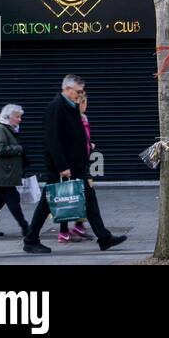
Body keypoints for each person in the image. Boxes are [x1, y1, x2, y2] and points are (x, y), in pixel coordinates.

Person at [22, 74, 126, 254]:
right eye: (78, 91)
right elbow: (53, 140)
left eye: (81, 91)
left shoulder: (71, 106)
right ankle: (31, 239)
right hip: (63, 168)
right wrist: (62, 166)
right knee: (47, 202)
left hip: (77, 166)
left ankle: (104, 237)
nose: (80, 94)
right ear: (67, 89)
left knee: (90, 200)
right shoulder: (56, 108)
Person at [0, 104, 30, 238]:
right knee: (13, 199)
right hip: (2, 172)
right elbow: (0, 149)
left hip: (3, 171)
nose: (20, 120)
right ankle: (25, 226)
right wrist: (19, 148)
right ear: (9, 117)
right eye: (17, 117)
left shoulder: (6, 128)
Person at [58, 89, 95, 242]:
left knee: (83, 196)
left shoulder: (83, 118)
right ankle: (63, 231)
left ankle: (79, 226)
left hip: (82, 162)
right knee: (67, 197)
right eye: (85, 102)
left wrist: (88, 145)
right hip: (71, 165)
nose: (86, 105)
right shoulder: (71, 119)